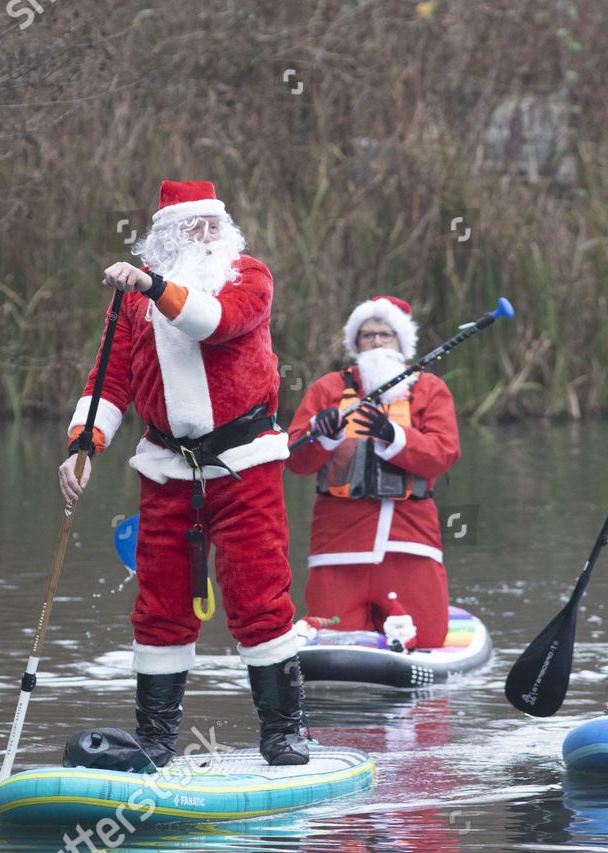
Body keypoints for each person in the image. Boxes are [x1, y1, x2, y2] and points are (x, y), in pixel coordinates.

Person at [57, 179, 311, 768]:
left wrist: (150, 283)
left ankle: (283, 730)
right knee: (160, 604)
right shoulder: (134, 302)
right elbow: (109, 380)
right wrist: (83, 447)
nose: (204, 237)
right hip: (168, 470)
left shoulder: (249, 277)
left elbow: (215, 323)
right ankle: (154, 741)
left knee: (258, 596)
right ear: (165, 239)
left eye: (212, 226)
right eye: (190, 229)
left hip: (243, 466)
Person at [285, 297, 461, 649]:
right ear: (355, 343)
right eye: (368, 336)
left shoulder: (429, 389)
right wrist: (325, 435)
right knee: (334, 637)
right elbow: (295, 460)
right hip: (338, 546)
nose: (377, 342)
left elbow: (443, 454)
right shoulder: (327, 389)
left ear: (401, 343)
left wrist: (392, 435)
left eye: (386, 334)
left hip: (409, 542)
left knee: (425, 638)